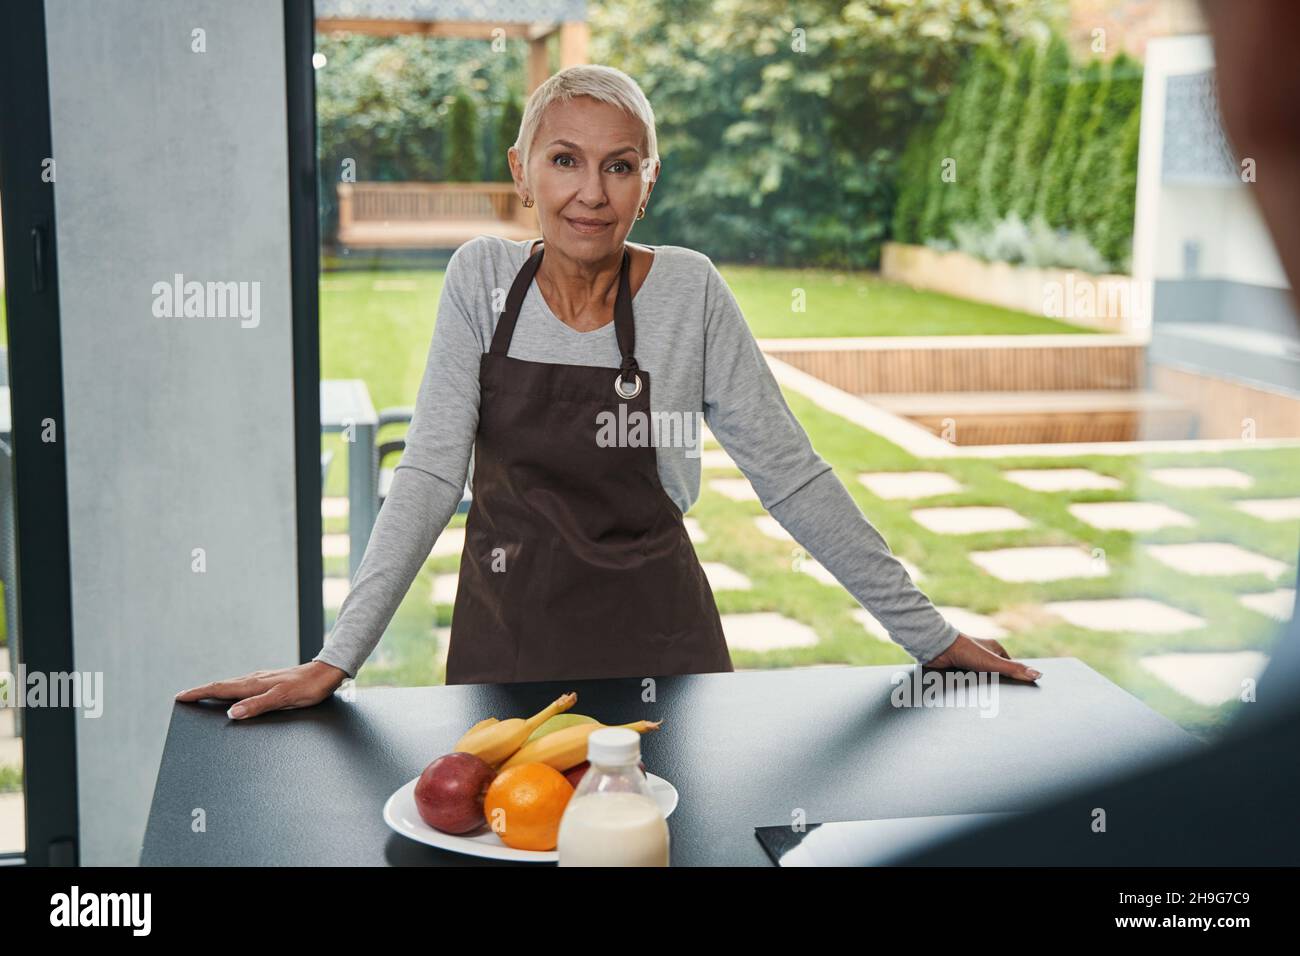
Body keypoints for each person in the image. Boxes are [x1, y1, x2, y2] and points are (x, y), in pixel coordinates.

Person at [178, 65, 1038, 719]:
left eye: (619, 166)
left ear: (648, 181)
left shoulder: (689, 293)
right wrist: (336, 660)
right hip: (507, 639)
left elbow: (791, 475)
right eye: (565, 161)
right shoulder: (480, 279)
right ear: (523, 171)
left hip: (660, 640)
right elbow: (432, 475)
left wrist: (930, 638)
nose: (590, 193)